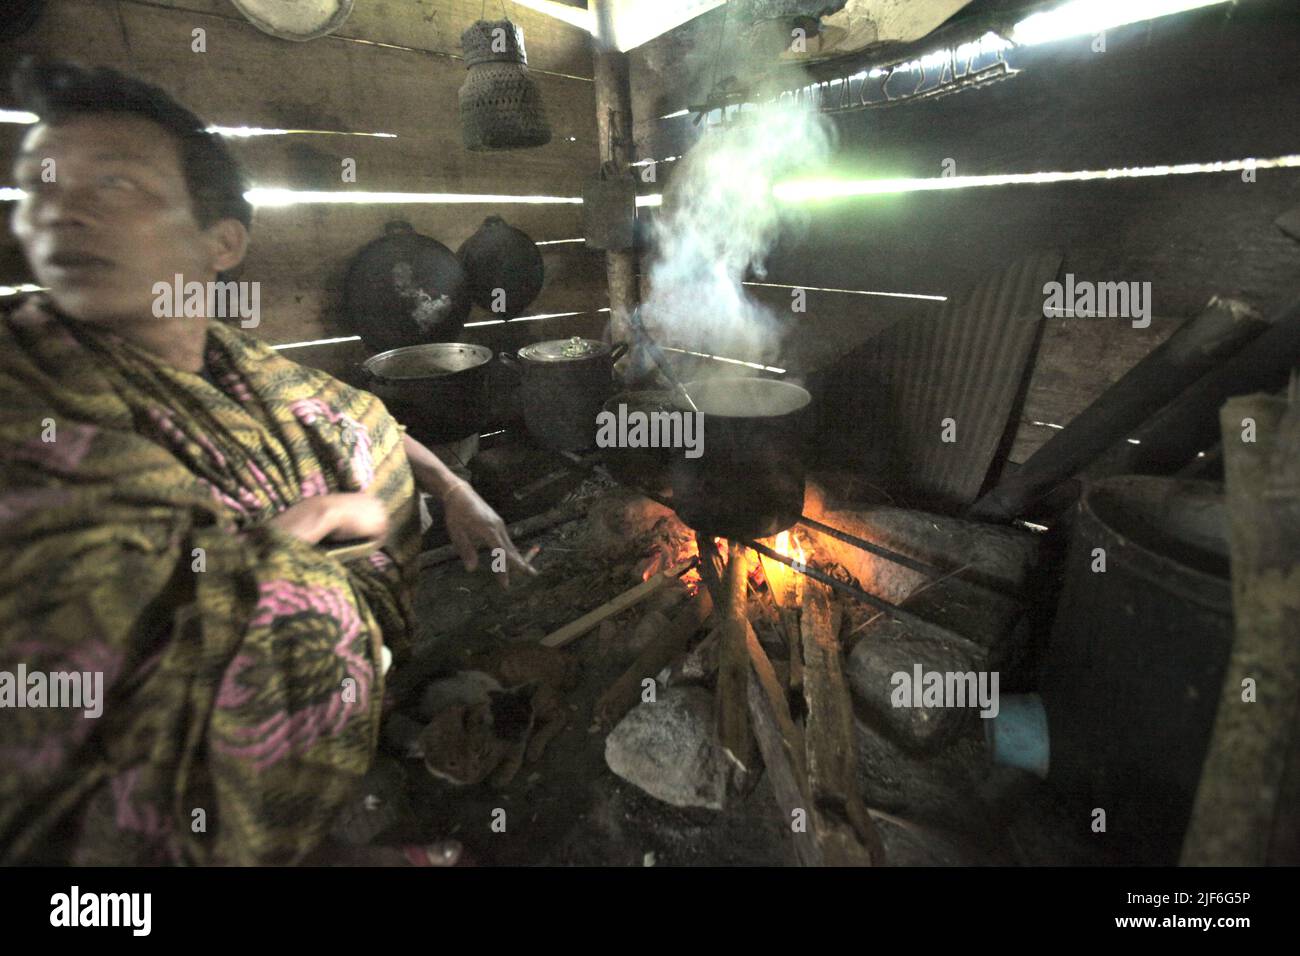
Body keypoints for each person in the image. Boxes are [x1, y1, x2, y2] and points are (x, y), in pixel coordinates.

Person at [0, 59, 535, 865]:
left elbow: (362, 416)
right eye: (39, 185)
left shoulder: (236, 365)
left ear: (220, 243)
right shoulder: (29, 393)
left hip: (312, 751)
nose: (60, 214)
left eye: (112, 185)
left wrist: (455, 488)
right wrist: (309, 529)